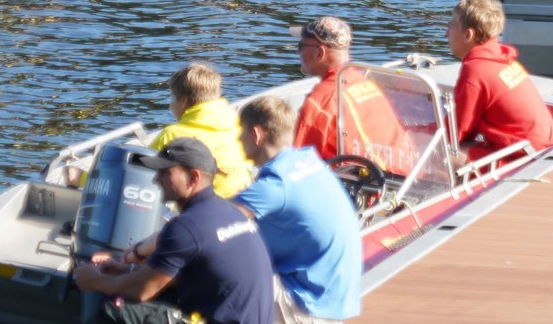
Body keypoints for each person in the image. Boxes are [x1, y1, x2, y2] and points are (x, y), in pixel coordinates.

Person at [69, 137, 277, 324]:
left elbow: (141, 290)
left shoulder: (187, 227)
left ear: (193, 178)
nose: (155, 179)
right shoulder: (228, 212)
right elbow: (189, 277)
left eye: (165, 173)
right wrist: (126, 270)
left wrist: (95, 280)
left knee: (114, 312)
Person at [234, 94, 362, 324]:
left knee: (220, 269)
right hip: (332, 300)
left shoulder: (277, 184)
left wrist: (146, 248)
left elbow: (208, 223)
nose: (238, 139)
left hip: (306, 305)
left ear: (256, 134)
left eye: (241, 132)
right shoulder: (309, 163)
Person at [289, 17, 412, 174]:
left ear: (320, 53)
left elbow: (300, 166)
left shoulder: (320, 101)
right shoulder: (366, 84)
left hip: (363, 187)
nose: (298, 52)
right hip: (400, 176)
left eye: (301, 46)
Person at [447, 0, 553, 157]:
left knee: (441, 154)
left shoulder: (475, 70)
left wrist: (417, 132)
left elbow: (456, 133)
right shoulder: (503, 58)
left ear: (468, 35)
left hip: (526, 157)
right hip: (546, 146)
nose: (446, 33)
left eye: (451, 26)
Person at [151, 63, 253, 199]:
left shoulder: (172, 135)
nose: (171, 104)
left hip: (202, 206)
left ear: (183, 101)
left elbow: (146, 175)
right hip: (240, 197)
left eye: (173, 97)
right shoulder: (238, 125)